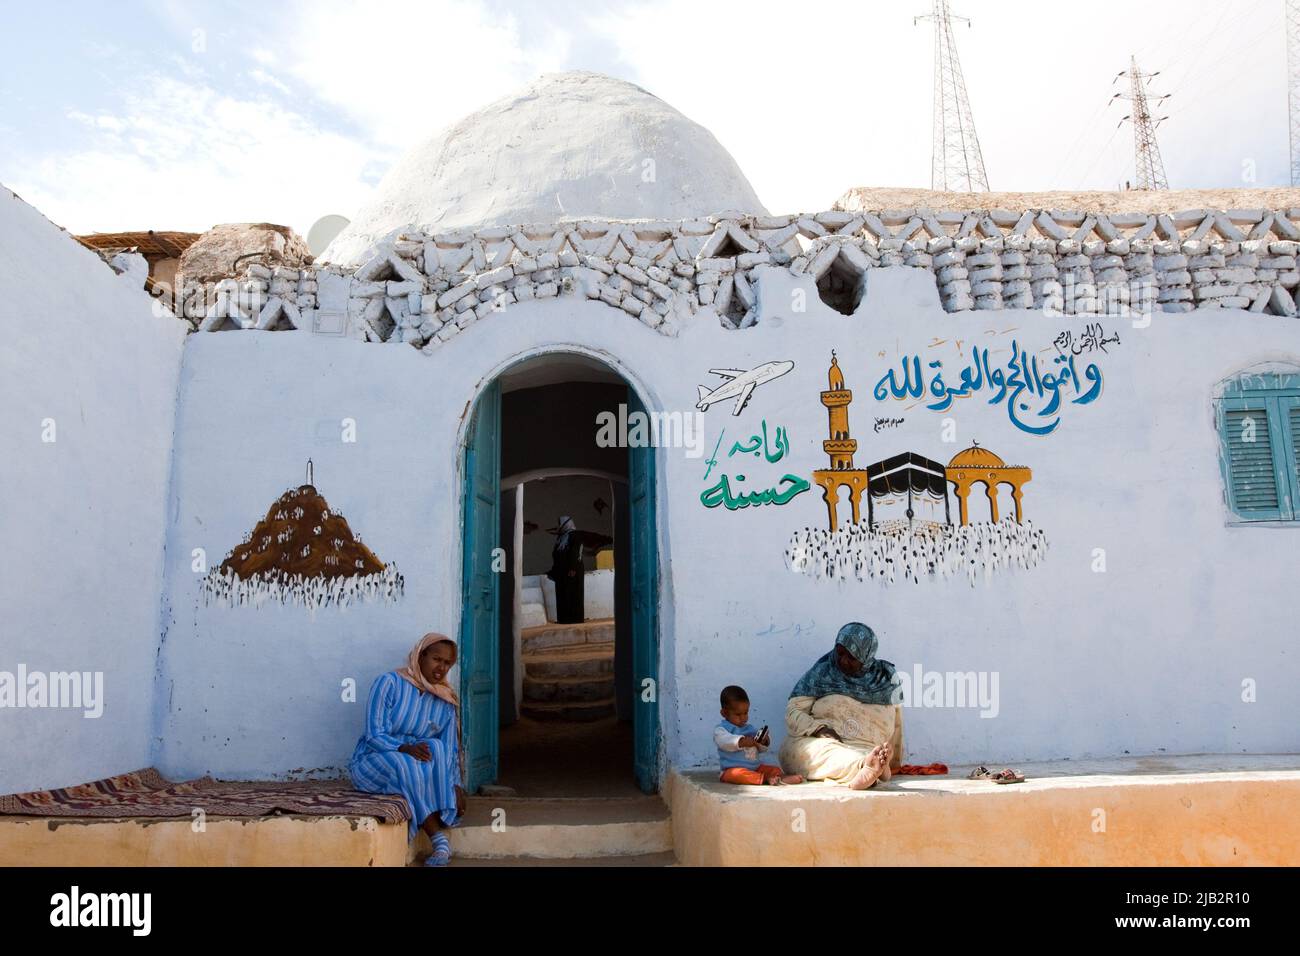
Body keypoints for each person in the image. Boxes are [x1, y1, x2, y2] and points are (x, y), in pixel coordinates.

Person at [349, 632, 467, 866]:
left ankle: (435, 808)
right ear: (420, 656)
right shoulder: (389, 683)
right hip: (374, 760)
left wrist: (455, 785)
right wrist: (404, 747)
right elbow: (374, 735)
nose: (441, 668)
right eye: (436, 659)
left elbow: (450, 749)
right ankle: (437, 838)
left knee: (436, 746)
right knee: (405, 763)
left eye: (447, 664)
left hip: (417, 766)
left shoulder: (445, 700)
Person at [778, 622, 903, 791]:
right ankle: (866, 768)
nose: (843, 661)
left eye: (852, 657)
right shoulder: (823, 672)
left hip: (868, 747)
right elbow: (793, 712)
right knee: (795, 750)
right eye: (840, 653)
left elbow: (897, 723)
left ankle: (873, 765)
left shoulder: (885, 678)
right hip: (825, 744)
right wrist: (819, 729)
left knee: (867, 753)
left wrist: (894, 761)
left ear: (866, 655)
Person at [715, 685, 803, 786]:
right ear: (724, 713)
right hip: (732, 769)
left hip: (755, 768)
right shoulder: (721, 730)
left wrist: (764, 741)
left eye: (746, 713)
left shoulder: (749, 729)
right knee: (735, 774)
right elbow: (725, 742)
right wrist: (741, 742)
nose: (743, 718)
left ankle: (780, 778)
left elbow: (761, 749)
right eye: (738, 714)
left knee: (774, 769)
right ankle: (767, 780)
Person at [545, 515, 612, 624]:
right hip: (562, 572)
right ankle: (564, 619)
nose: (559, 526)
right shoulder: (562, 537)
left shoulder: (575, 535)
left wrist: (573, 568)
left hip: (572, 571)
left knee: (573, 595)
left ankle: (574, 619)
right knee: (563, 594)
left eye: (561, 523)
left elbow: (576, 552)